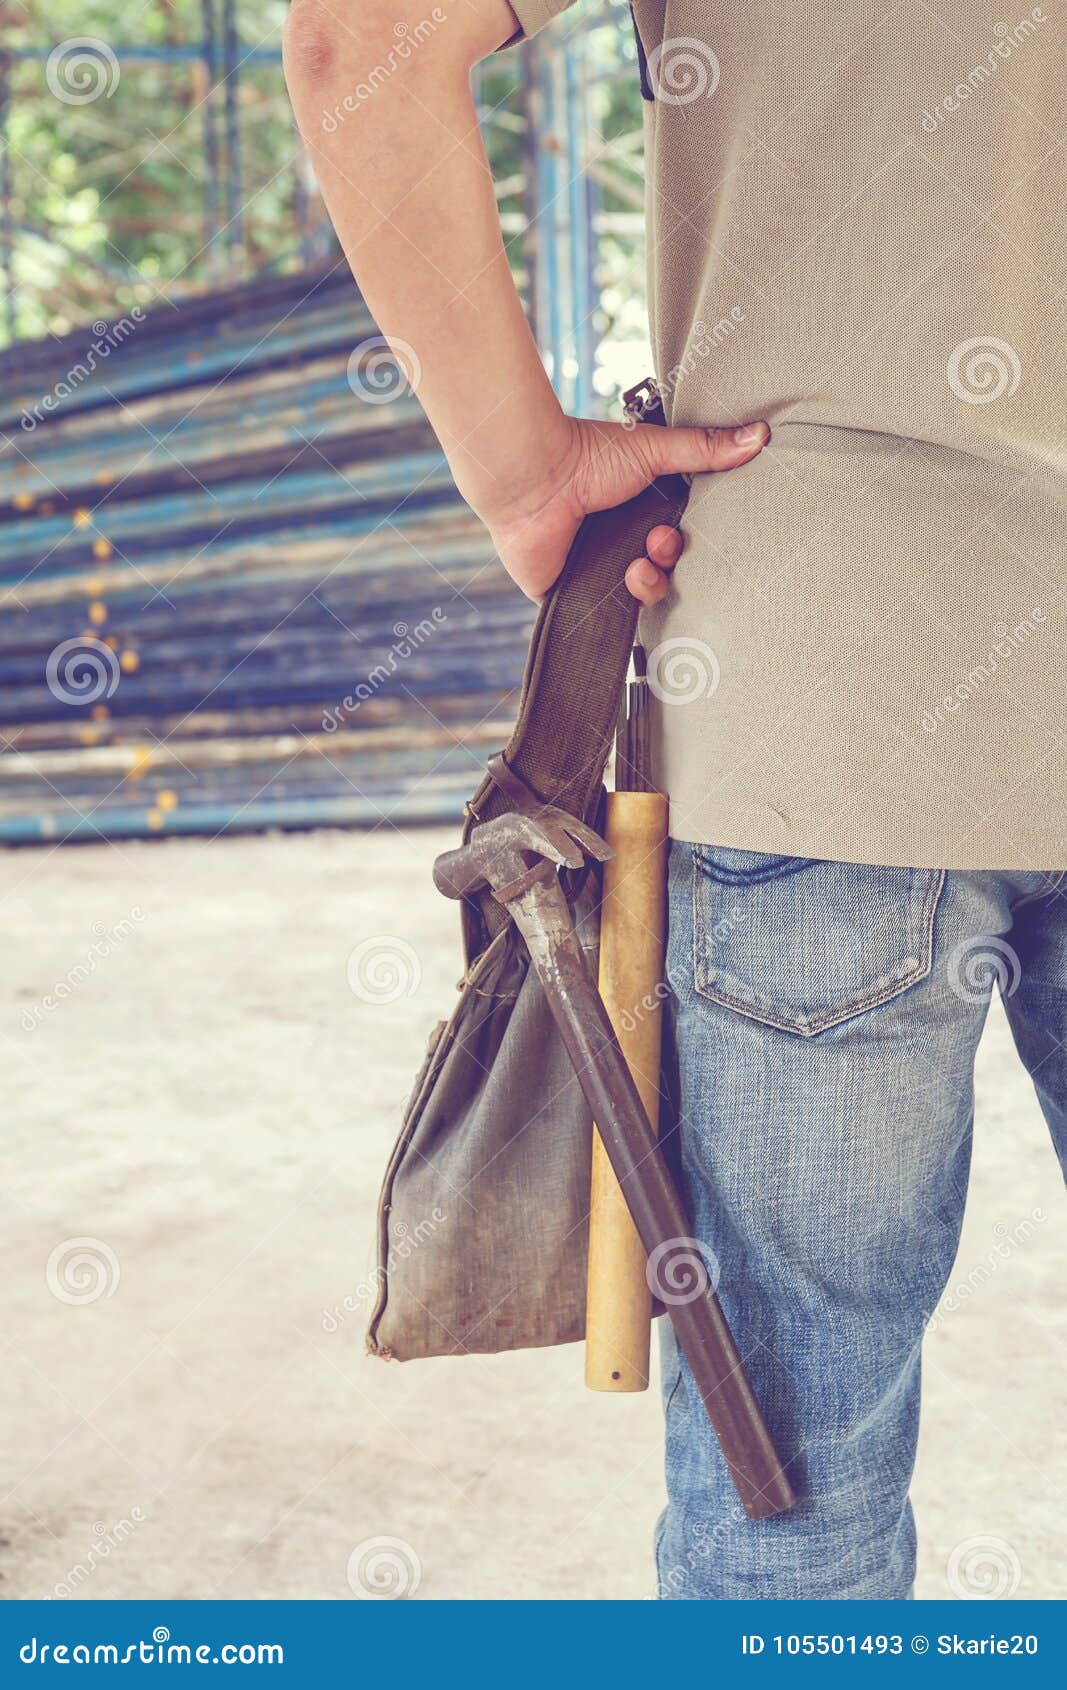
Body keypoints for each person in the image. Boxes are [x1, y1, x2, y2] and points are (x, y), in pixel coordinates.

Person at [284, 0, 1067, 1598]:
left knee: (794, 1494)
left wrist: (525, 472)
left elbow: (360, 40)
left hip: (819, 701)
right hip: (815, 714)